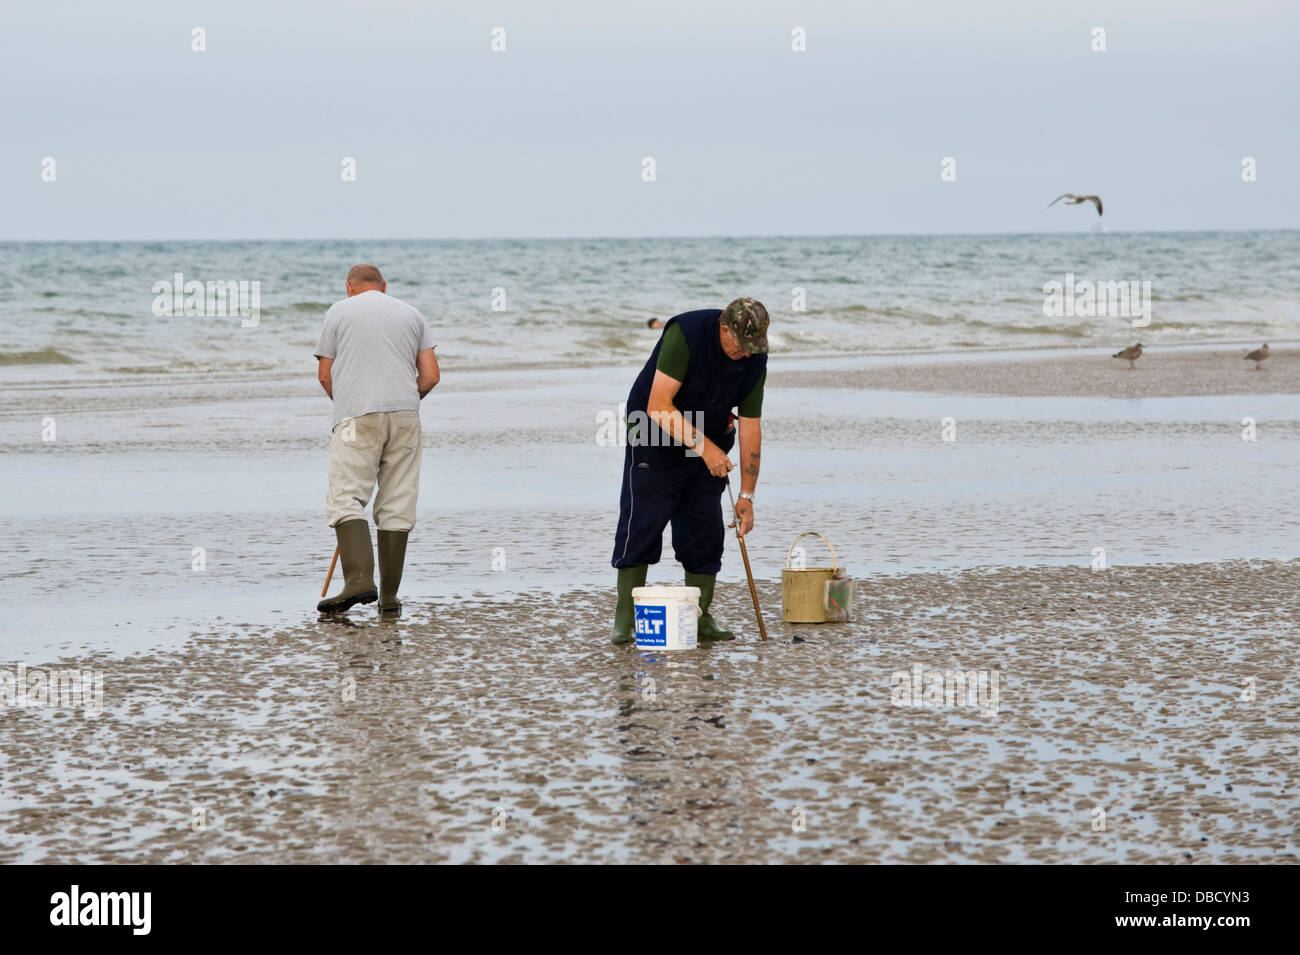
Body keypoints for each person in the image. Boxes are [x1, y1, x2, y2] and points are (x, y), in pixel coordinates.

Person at [610, 298, 769, 643]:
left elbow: (751, 426)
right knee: (643, 522)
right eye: (741, 345)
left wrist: (747, 496)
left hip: (708, 431)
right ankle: (625, 621)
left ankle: (700, 617)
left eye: (753, 348)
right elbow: (658, 405)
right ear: (725, 329)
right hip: (652, 428)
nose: (746, 353)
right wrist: (706, 449)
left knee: (705, 527)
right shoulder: (685, 334)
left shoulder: (754, 358)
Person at [314, 264, 440, 615]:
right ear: (383, 286)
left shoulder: (339, 311)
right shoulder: (412, 314)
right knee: (398, 503)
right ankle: (388, 598)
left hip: (357, 415)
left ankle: (358, 580)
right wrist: (400, 403)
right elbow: (430, 376)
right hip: (406, 416)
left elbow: (325, 375)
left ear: (349, 287)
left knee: (345, 498)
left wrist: (350, 408)